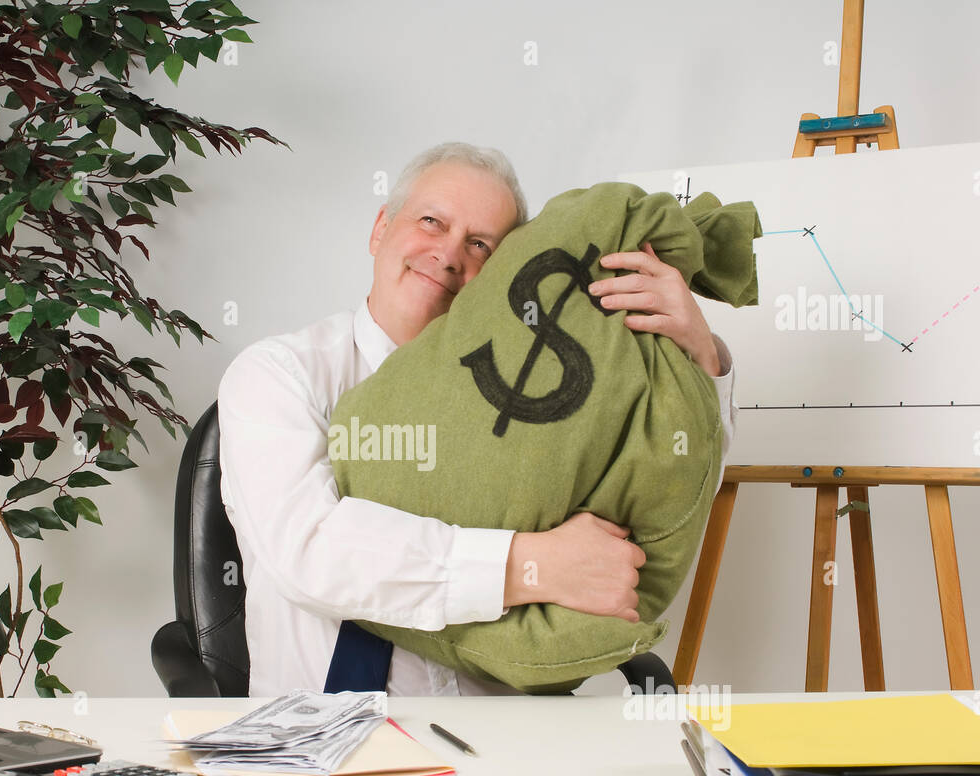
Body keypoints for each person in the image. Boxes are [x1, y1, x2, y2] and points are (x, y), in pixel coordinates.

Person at [217, 142, 737, 697]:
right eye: (431, 221)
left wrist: (697, 356)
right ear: (380, 229)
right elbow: (313, 551)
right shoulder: (278, 374)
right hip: (328, 751)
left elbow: (663, 481)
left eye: (481, 245)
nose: (448, 254)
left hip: (506, 739)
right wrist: (531, 563)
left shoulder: (552, 395)